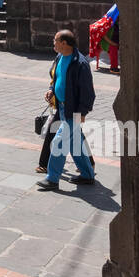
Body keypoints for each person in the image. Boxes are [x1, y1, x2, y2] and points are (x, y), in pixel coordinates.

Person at [37, 29, 97, 192]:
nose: (53, 43)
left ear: (64, 43)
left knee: (58, 142)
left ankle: (52, 179)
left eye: (55, 40)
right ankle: (87, 174)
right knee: (75, 143)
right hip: (62, 107)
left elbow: (88, 93)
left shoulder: (80, 63)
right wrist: (51, 89)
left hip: (74, 111)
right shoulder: (60, 57)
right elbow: (56, 77)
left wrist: (82, 113)